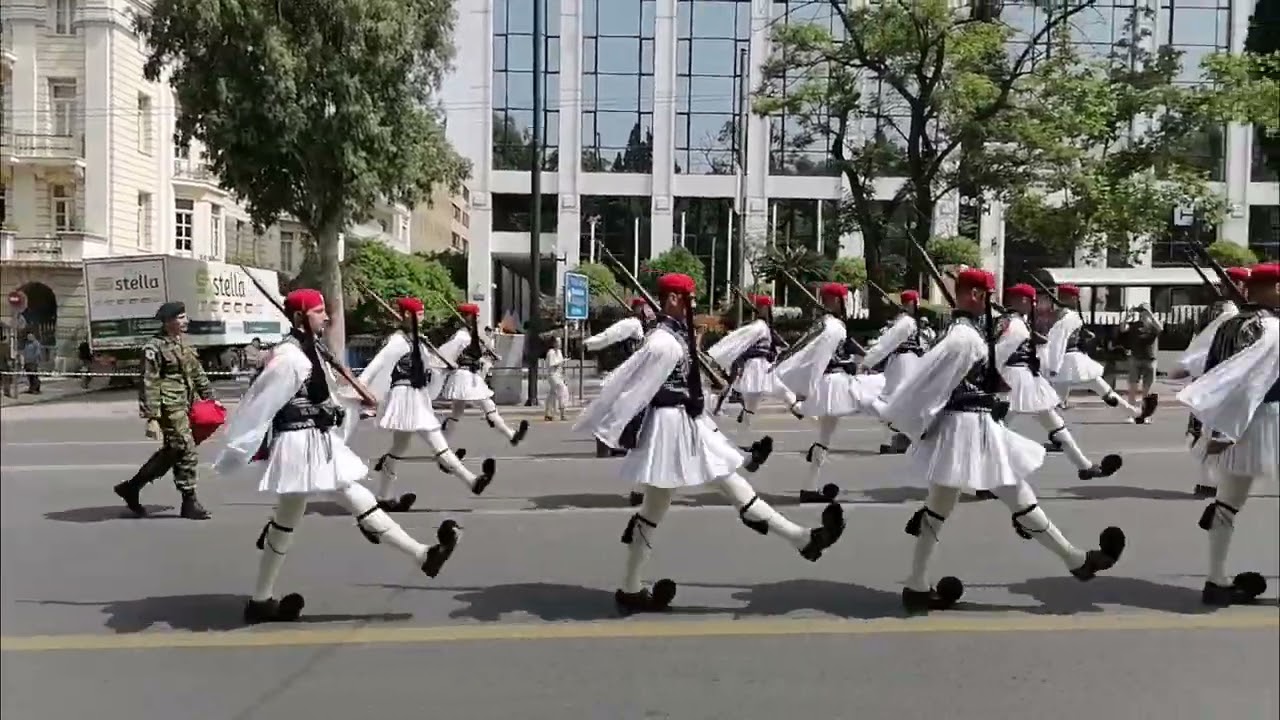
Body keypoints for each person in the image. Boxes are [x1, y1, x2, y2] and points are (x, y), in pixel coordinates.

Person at [575, 273, 846, 614]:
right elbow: (635, 386)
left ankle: (630, 588)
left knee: (664, 507)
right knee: (714, 489)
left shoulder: (671, 335)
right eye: (688, 298)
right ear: (674, 299)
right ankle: (802, 539)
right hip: (673, 428)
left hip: (683, 424)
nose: (693, 305)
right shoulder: (662, 341)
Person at [877, 269, 1127, 613]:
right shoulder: (963, 337)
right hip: (968, 426)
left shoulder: (964, 332)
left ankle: (917, 586)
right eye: (987, 296)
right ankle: (1076, 560)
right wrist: (909, 422)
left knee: (938, 509)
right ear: (976, 295)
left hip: (966, 425)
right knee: (1016, 494)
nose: (991, 304)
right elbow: (925, 380)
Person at [214, 289, 463, 624]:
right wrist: (239, 448)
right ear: (302, 317)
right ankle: (422, 555)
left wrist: (349, 403)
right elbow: (260, 403)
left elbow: (323, 397)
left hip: (313, 441)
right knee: (352, 496)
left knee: (288, 522)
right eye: (319, 311)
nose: (326, 317)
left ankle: (260, 601)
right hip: (301, 444)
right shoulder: (290, 357)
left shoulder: (307, 350)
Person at [1176, 262, 1277, 607]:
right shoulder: (1270, 327)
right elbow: (1245, 382)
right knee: (1227, 503)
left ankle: (1215, 581)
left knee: (1227, 503)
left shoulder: (1231, 323)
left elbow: (1214, 373)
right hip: (1267, 420)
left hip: (1235, 423)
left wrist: (1217, 427)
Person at [359, 296, 496, 513]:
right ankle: (471, 480)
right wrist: (361, 388)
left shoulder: (415, 339)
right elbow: (375, 366)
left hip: (416, 394)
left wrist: (443, 364)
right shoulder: (397, 341)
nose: (423, 317)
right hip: (406, 397)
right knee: (435, 440)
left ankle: (383, 496)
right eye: (419, 313)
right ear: (406, 315)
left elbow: (428, 365)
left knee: (399, 448)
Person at [772, 282, 884, 503]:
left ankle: (809, 487)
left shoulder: (827, 324)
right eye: (843, 299)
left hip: (834, 381)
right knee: (876, 398)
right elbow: (819, 360)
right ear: (834, 301)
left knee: (824, 437)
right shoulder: (833, 327)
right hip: (834, 383)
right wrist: (809, 390)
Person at [997, 284, 1122, 480]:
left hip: (1027, 380)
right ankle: (986, 479)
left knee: (1056, 425)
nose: (1035, 305)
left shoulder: (1014, 321)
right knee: (996, 431)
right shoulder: (1015, 325)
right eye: (1032, 301)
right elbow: (998, 354)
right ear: (1023, 301)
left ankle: (1085, 466)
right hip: (1015, 380)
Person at [113, 302, 217, 520]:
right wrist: (151, 417)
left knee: (175, 449)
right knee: (185, 447)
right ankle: (189, 500)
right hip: (169, 405)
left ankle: (132, 487)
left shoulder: (183, 343)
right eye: (181, 317)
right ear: (168, 322)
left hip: (187, 402)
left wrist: (210, 398)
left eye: (185, 316)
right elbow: (148, 382)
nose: (185, 321)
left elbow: (196, 372)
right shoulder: (154, 348)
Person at [1169, 267, 1251, 497]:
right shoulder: (1228, 312)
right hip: (1220, 378)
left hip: (1221, 378)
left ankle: (1211, 481)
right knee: (1215, 431)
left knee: (1218, 431)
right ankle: (1210, 481)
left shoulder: (1223, 310)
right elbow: (1205, 346)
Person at [1043, 284, 1158, 423]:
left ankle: (1135, 413)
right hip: (1069, 359)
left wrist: (1082, 335)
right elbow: (1058, 343)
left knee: (1100, 391)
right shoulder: (1068, 317)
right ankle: (1135, 413)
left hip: (1069, 360)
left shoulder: (1062, 316)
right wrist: (1054, 367)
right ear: (1071, 298)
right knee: (1062, 400)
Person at [439, 303, 530, 446]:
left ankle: (511, 435)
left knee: (464, 412)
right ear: (468, 317)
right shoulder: (461, 336)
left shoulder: (471, 334)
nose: (479, 317)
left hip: (472, 376)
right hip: (464, 376)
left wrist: (486, 355)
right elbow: (444, 353)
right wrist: (453, 363)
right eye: (476, 315)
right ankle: (441, 446)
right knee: (474, 409)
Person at [707, 294, 783, 445]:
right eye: (762, 307)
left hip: (762, 365)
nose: (765, 310)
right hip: (754, 365)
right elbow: (737, 339)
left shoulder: (764, 326)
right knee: (750, 402)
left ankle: (740, 431)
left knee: (752, 404)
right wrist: (718, 354)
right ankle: (736, 429)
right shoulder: (758, 326)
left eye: (766, 307)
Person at [859, 290, 928, 454]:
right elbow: (886, 344)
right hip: (903, 363)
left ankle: (904, 438)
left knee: (900, 401)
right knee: (897, 401)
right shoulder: (906, 322)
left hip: (908, 363)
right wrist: (868, 361)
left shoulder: (908, 321)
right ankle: (904, 438)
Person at [1116, 304, 1163, 406]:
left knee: (1147, 390)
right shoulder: (1135, 325)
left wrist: (1150, 314)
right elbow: (1123, 329)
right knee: (1133, 387)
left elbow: (1160, 329)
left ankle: (1145, 414)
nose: (1143, 313)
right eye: (1141, 311)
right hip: (1135, 359)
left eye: (1145, 311)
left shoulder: (1153, 325)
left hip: (1150, 360)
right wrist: (1127, 316)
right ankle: (1132, 412)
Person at [543, 335, 571, 421]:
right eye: (558, 341)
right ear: (554, 343)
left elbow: (561, 366)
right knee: (562, 390)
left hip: (558, 375)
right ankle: (562, 413)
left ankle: (548, 413)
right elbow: (552, 365)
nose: (559, 343)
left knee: (553, 394)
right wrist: (562, 362)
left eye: (560, 342)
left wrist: (563, 375)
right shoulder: (550, 352)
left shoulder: (559, 352)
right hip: (552, 375)